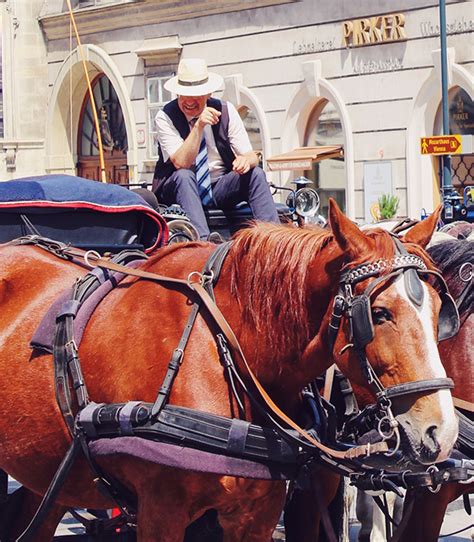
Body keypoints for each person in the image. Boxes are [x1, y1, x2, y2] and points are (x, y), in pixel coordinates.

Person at [152, 58, 279, 240]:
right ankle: (203, 242)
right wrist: (199, 126)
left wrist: (245, 161)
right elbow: (181, 162)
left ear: (208, 93)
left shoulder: (226, 110)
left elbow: (252, 156)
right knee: (184, 176)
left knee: (256, 173)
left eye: (194, 95)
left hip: (219, 186)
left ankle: (273, 240)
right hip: (179, 189)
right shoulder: (165, 116)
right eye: (183, 95)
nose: (188, 101)